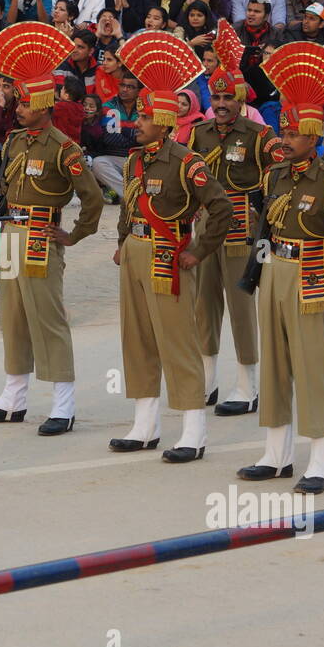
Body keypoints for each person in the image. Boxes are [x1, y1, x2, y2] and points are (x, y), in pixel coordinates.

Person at [240, 43, 324, 493]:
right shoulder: (275, 175)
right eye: (282, 130)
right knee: (275, 364)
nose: (283, 139)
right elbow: (264, 227)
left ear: (313, 137)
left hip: (312, 276)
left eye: (293, 134)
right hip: (275, 271)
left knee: (312, 366)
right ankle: (276, 453)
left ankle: (321, 460)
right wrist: (257, 273)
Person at [0, 22, 103, 435]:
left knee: (47, 320)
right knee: (12, 316)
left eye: (24, 103)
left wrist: (74, 235)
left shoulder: (64, 147)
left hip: (43, 238)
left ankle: (64, 403)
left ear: (43, 105)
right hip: (12, 234)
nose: (18, 108)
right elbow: (6, 189)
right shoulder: (13, 141)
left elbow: (94, 198)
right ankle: (14, 397)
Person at [110, 32, 232, 461]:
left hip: (169, 256)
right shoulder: (134, 160)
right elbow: (130, 205)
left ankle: (194, 431)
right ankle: (145, 424)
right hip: (136, 254)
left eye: (143, 118)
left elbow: (222, 210)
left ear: (162, 121)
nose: (136, 124)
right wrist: (123, 241)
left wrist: (199, 251)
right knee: (137, 338)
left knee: (178, 340)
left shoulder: (186, 162)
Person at [187, 21, 281, 414]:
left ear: (240, 99)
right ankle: (206, 380)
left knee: (241, 307)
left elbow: (276, 185)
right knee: (204, 306)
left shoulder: (259, 136)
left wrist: (267, 234)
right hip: (207, 226)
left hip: (243, 230)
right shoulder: (199, 134)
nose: (221, 103)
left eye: (228, 97)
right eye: (216, 96)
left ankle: (248, 385)